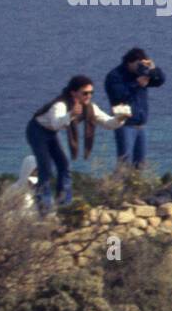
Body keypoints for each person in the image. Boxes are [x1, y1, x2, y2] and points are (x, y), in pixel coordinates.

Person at [27, 75, 130, 214]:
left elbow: (107, 123)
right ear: (73, 93)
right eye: (85, 93)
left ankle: (64, 205)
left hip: (52, 132)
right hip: (37, 130)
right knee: (46, 168)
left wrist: (120, 119)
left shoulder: (90, 108)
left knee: (65, 165)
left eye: (91, 93)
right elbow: (56, 123)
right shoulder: (60, 105)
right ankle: (44, 209)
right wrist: (70, 115)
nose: (89, 96)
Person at [104, 47, 165, 168]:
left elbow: (160, 81)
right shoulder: (115, 76)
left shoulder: (142, 74)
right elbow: (118, 96)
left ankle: (135, 187)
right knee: (124, 163)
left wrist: (153, 69)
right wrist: (137, 84)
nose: (140, 68)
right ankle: (120, 186)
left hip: (140, 125)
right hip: (125, 124)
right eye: (138, 65)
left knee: (140, 165)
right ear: (129, 62)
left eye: (142, 65)